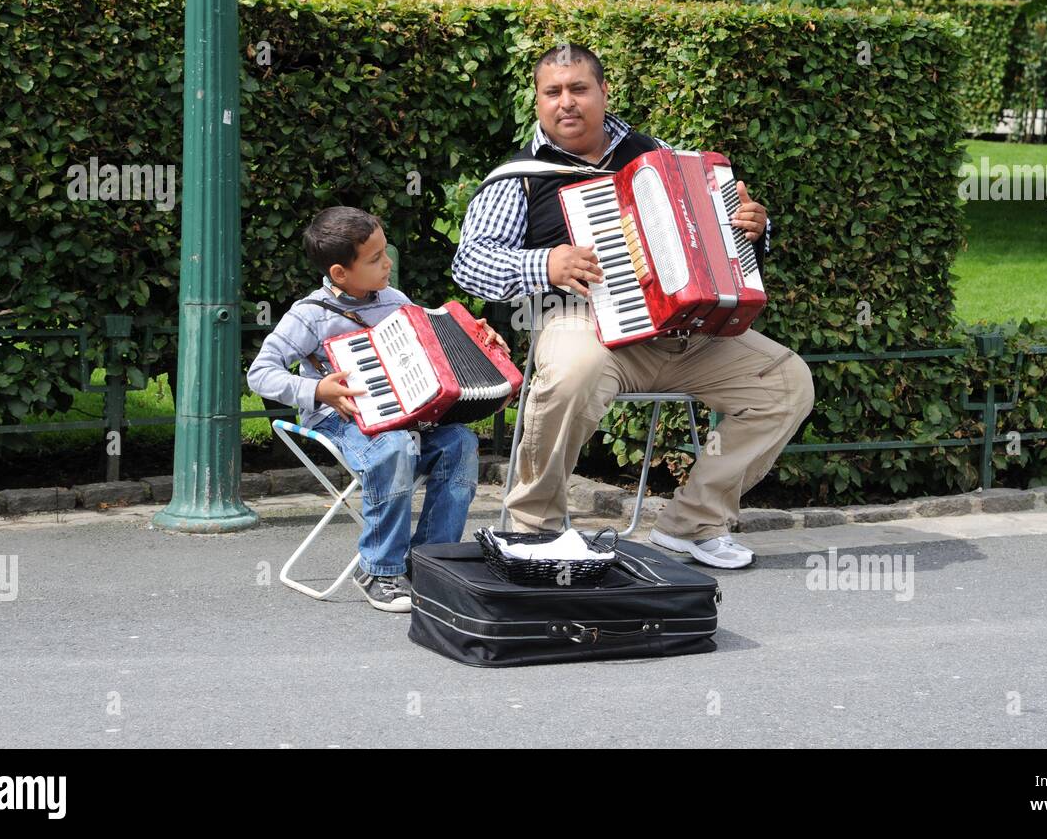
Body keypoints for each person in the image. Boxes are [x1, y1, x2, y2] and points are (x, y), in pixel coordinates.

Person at [452, 43, 815, 569]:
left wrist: (753, 230)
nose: (566, 102)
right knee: (572, 373)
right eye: (552, 92)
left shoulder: (659, 156)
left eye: (578, 89)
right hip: (586, 322)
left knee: (786, 383)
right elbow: (470, 265)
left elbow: (715, 234)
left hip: (685, 329)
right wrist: (545, 265)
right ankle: (534, 527)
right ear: (537, 101)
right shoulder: (519, 177)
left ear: (603, 91)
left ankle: (692, 523)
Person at [248, 206, 503, 611]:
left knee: (461, 443)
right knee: (396, 447)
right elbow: (260, 374)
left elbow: (430, 352)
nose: (387, 264)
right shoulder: (310, 315)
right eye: (374, 259)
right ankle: (379, 570)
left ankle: (430, 562)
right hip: (341, 420)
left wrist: (478, 339)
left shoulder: (395, 301)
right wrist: (318, 389)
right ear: (339, 273)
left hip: (405, 416)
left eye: (386, 252)